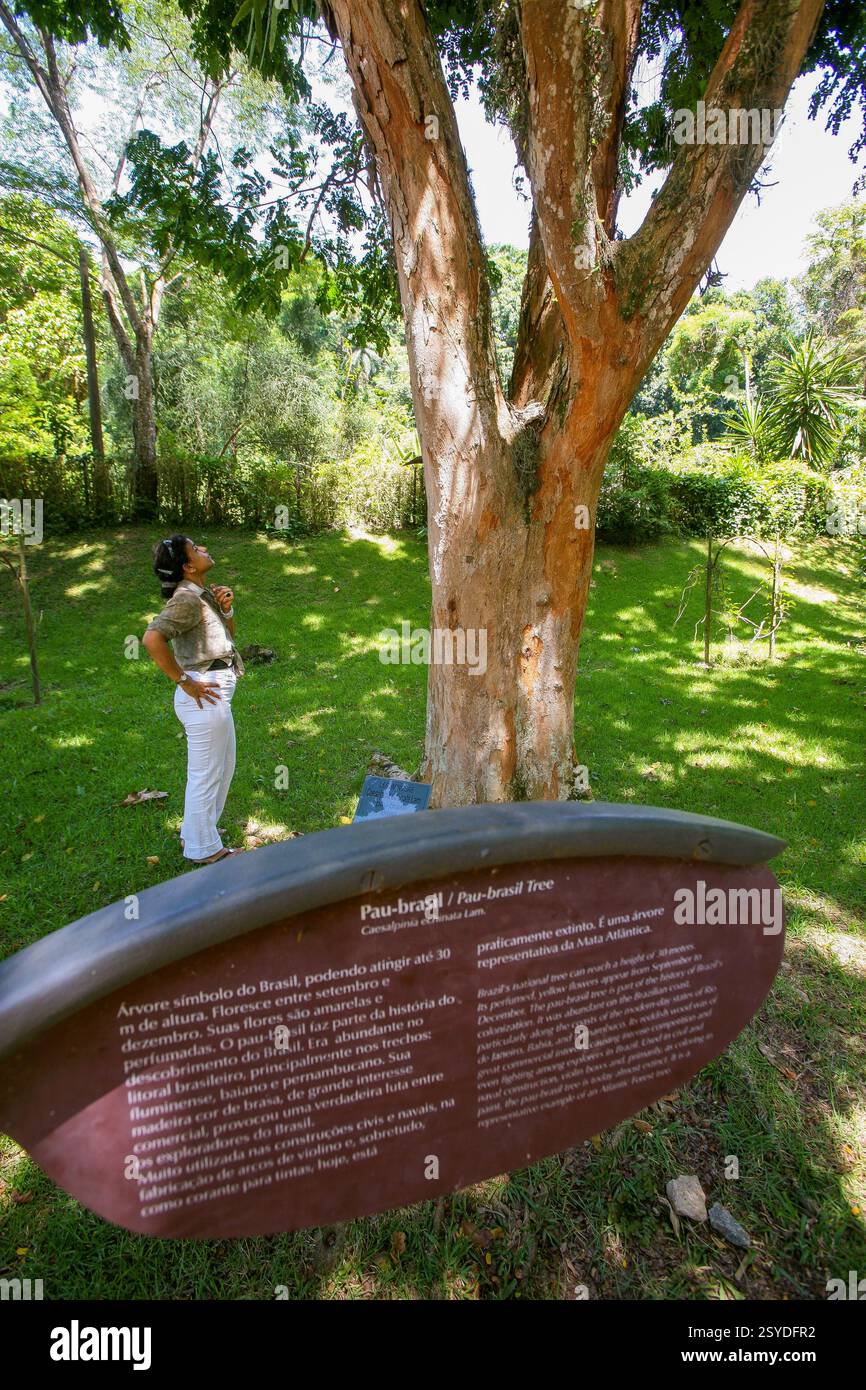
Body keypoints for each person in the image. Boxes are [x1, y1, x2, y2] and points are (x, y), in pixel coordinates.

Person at [142, 535, 245, 865]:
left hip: (214, 695)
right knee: (207, 774)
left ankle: (197, 833)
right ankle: (205, 850)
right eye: (197, 549)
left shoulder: (202, 593)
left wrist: (227, 610)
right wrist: (183, 680)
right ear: (187, 566)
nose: (204, 549)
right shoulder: (186, 598)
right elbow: (152, 638)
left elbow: (225, 639)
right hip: (204, 695)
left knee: (222, 768)